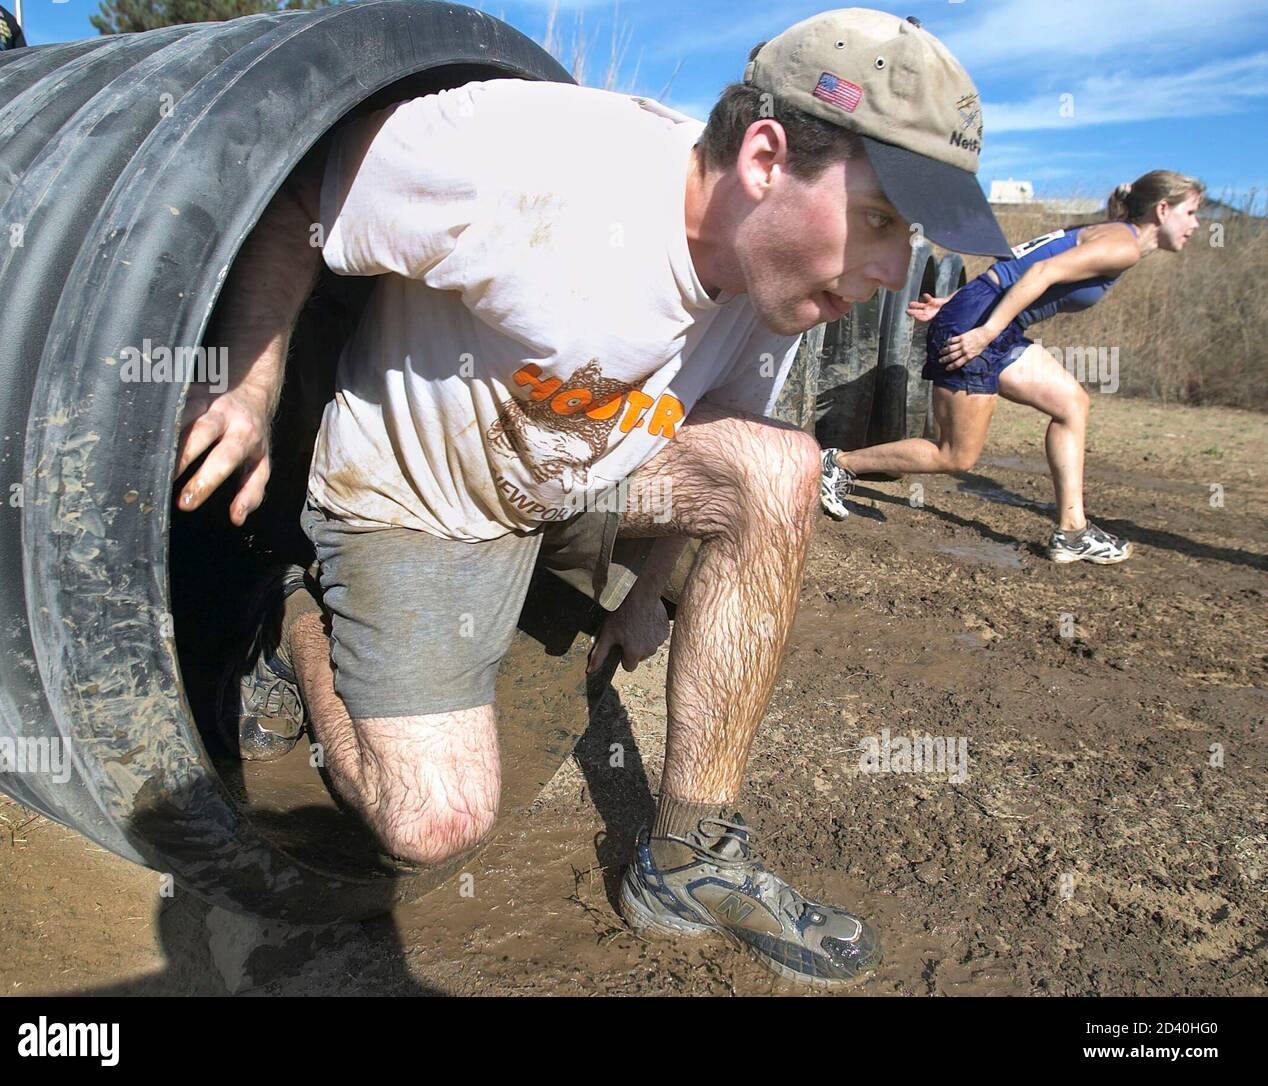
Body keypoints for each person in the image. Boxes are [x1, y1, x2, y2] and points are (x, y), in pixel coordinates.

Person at [175, 8, 1009, 988]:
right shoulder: (535, 161)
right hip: (414, 499)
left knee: (783, 464)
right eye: (877, 220)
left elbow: (732, 466)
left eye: (905, 238)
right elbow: (300, 197)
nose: (887, 273)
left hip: (576, 469)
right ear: (766, 158)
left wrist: (649, 592)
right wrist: (251, 381)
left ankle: (689, 859)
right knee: (432, 820)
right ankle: (294, 610)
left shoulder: (776, 284)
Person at [820, 170, 1205, 562]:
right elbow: (1040, 272)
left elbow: (1015, 266)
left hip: (989, 318)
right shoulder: (1121, 245)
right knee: (956, 456)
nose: (1195, 225)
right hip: (986, 324)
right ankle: (836, 463)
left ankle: (1073, 531)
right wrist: (982, 328)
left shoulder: (1113, 235)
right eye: (1190, 212)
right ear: (1162, 209)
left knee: (1071, 403)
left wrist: (956, 301)